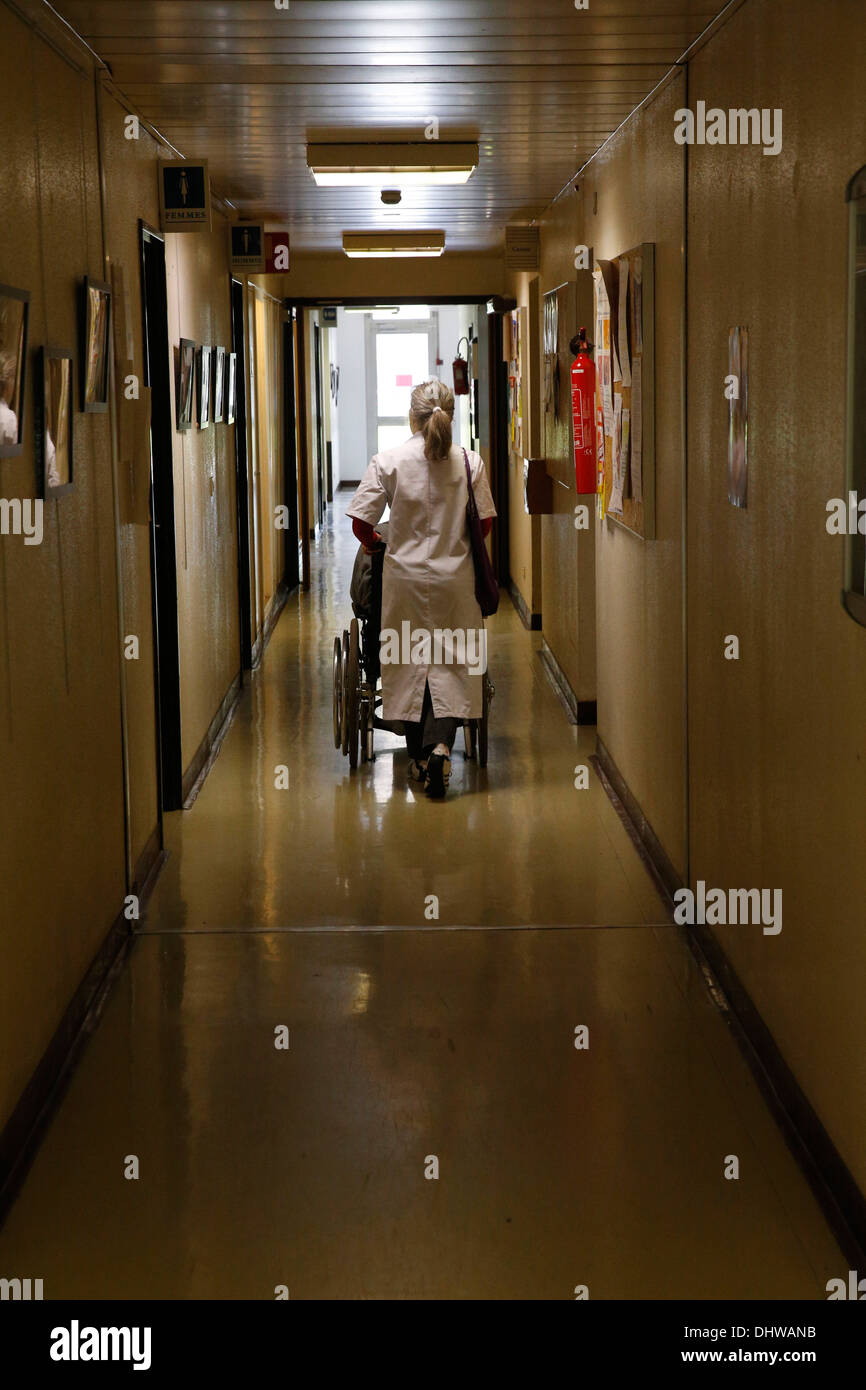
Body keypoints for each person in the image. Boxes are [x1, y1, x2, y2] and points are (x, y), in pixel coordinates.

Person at [346, 378, 496, 798]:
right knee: (450, 665)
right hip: (455, 580)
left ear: (412, 417)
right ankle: (443, 747)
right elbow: (483, 524)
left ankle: (418, 756)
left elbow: (361, 524)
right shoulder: (470, 462)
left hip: (404, 582)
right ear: (451, 414)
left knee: (410, 664)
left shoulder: (388, 461)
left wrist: (381, 542)